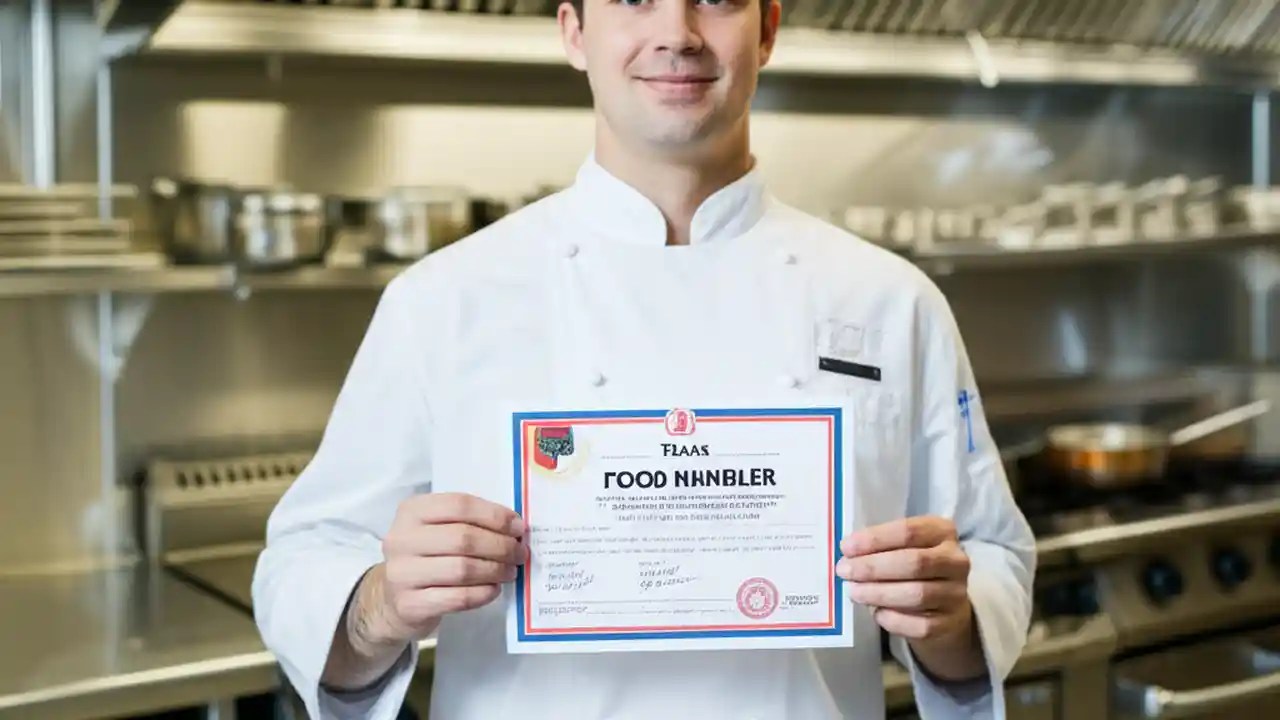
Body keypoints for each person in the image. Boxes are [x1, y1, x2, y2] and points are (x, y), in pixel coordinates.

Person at [251, 0, 1037, 716]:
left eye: (718, 1)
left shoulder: (890, 301)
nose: (677, 32)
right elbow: (301, 563)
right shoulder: (444, 300)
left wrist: (952, 618)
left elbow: (992, 554)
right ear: (572, 31)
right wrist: (382, 603)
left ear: (767, 29)